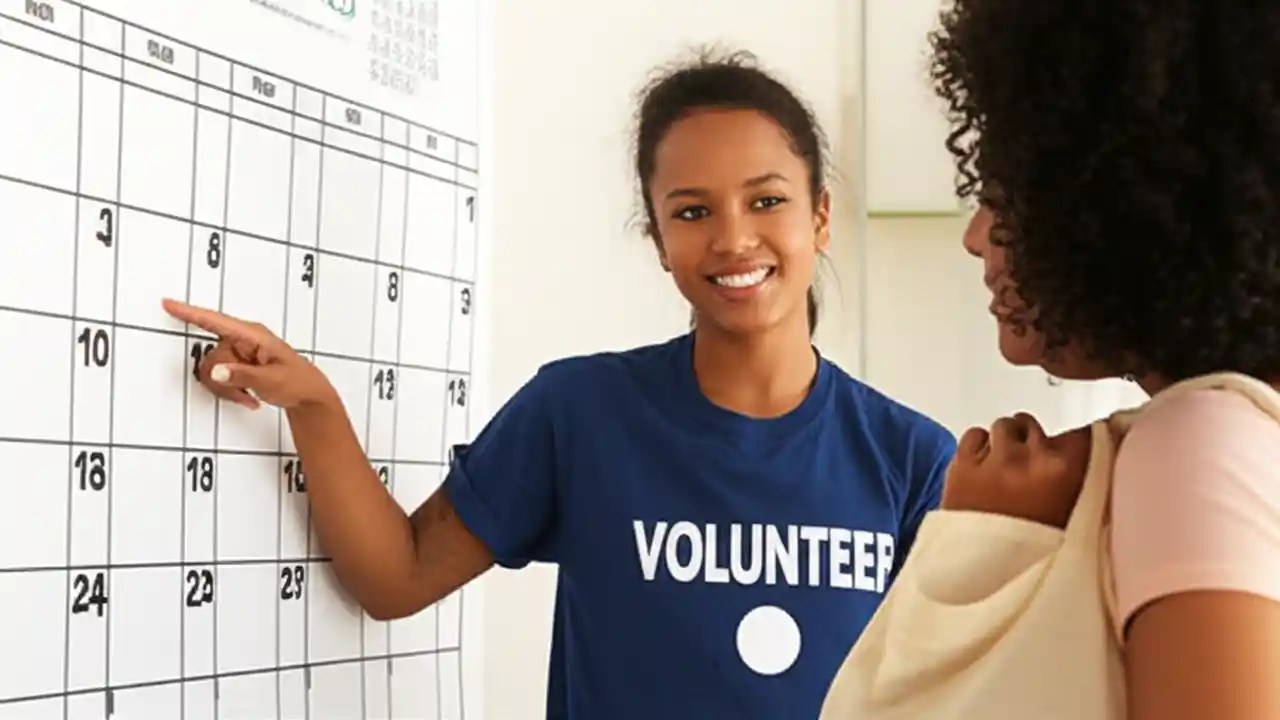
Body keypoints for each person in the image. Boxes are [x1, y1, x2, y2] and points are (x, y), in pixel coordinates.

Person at [160, 48, 957, 719]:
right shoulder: (581, 414)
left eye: (767, 200)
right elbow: (396, 578)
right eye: (690, 212)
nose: (733, 238)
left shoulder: (912, 457)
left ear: (819, 216)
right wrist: (314, 404)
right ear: (655, 237)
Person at [820, 2, 1280, 719]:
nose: (976, 239)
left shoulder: (1198, 445)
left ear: (1121, 211)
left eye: (1001, 197)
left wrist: (992, 553)